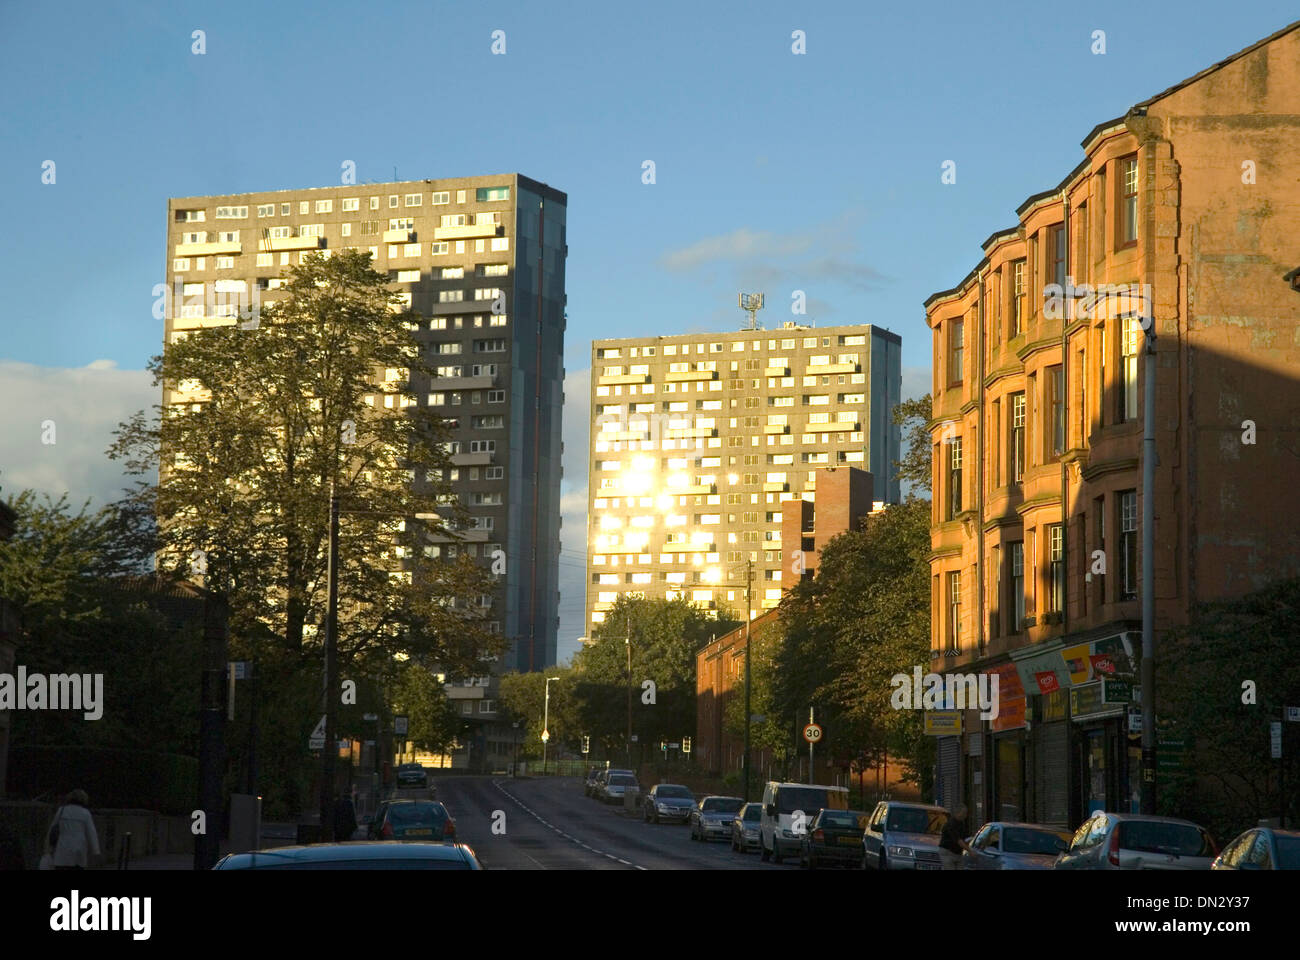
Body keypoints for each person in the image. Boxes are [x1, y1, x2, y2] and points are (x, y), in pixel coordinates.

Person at [44, 789, 101, 870]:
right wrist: (96, 851)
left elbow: (52, 829)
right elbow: (92, 833)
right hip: (79, 849)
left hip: (62, 848)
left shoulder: (62, 810)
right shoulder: (85, 813)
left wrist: (48, 847)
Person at [939, 802, 972, 870]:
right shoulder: (950, 824)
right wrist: (970, 851)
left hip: (957, 853)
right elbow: (958, 840)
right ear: (958, 813)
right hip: (947, 852)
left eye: (966, 813)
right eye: (964, 813)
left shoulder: (962, 823)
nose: (966, 815)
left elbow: (965, 837)